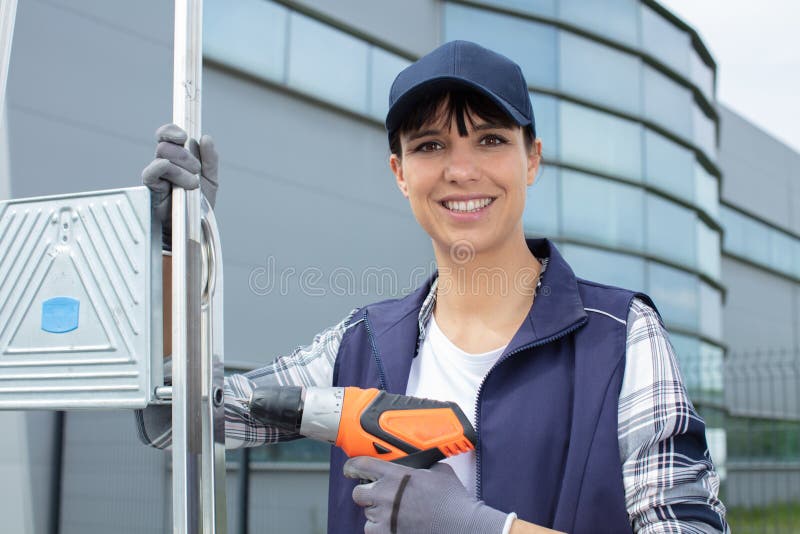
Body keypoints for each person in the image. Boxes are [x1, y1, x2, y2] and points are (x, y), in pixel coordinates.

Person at [140, 40, 729, 534]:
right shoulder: (360, 344)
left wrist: (482, 527)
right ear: (400, 172)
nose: (461, 169)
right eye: (430, 145)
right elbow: (173, 417)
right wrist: (178, 248)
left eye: (491, 139)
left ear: (532, 159)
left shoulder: (622, 338)